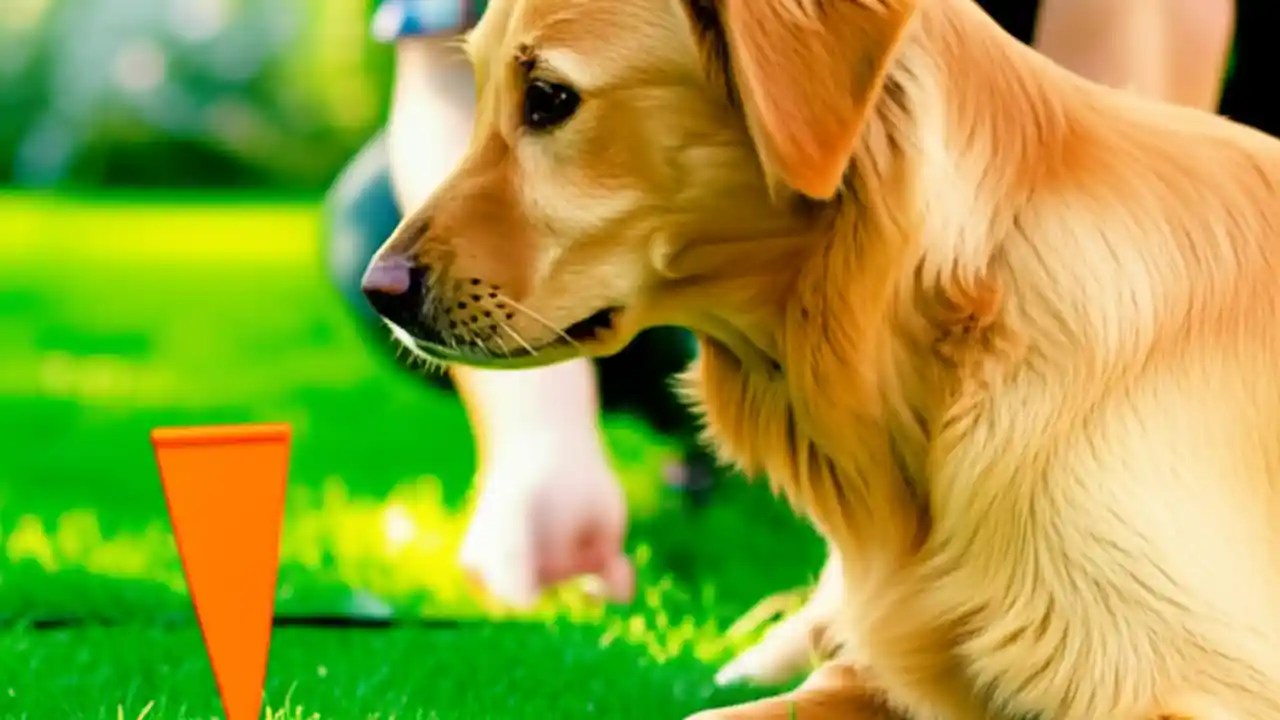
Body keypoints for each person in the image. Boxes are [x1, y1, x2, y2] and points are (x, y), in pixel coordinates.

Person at [325, 0, 1237, 686]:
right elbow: (441, 76)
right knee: (371, 213)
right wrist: (539, 443)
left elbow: (1134, 69)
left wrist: (947, 527)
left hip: (1045, 172)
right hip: (770, 181)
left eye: (549, 100)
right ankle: (770, 439)